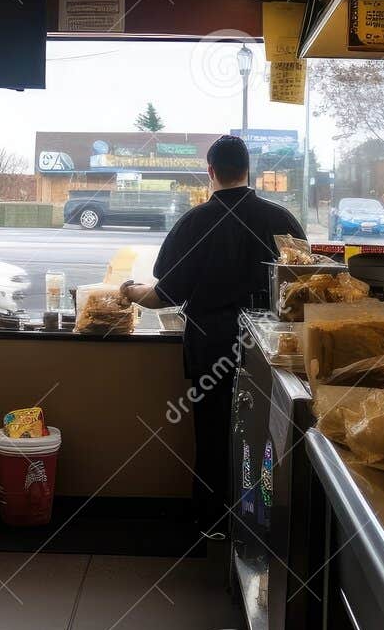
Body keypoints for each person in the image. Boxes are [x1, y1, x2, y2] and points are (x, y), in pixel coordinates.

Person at [121, 136, 305, 539]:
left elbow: (163, 294)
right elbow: (304, 287)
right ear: (248, 170)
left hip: (211, 347)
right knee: (267, 439)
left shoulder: (195, 222)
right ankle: (264, 527)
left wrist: (129, 291)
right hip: (271, 352)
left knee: (212, 437)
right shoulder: (282, 221)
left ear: (211, 172)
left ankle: (212, 524)